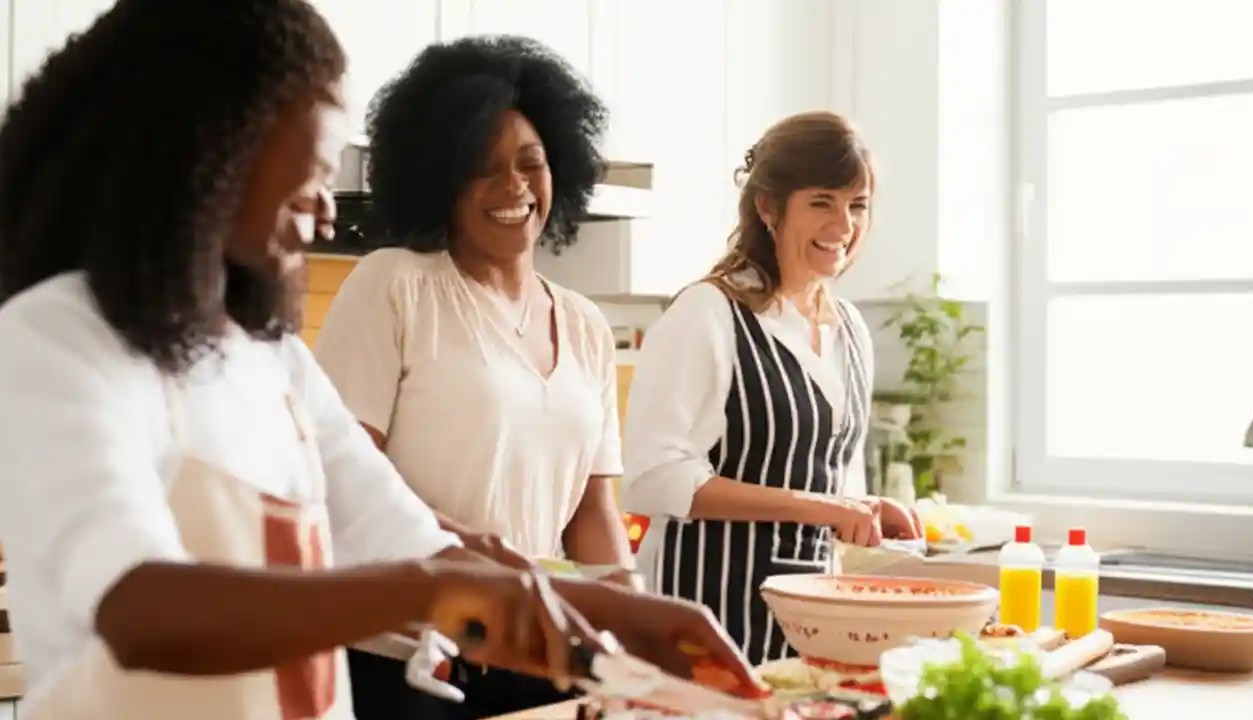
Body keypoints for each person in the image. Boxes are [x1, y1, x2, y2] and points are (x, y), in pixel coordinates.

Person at [0, 3, 755, 719]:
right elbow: (135, 607)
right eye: (315, 171)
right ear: (209, 153)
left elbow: (423, 545)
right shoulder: (57, 338)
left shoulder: (272, 361)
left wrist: (633, 610)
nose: (329, 209)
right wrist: (428, 592)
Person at [312, 35, 639, 717]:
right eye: (483, 169)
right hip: (404, 658)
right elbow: (343, 482)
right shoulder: (394, 286)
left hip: (540, 650)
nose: (515, 187)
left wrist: (629, 631)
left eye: (531, 163)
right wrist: (476, 566)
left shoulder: (583, 324)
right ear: (439, 181)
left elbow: (592, 513)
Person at [621, 111, 924, 666]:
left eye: (857, 206)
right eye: (821, 203)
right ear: (768, 207)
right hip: (706, 624)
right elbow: (651, 479)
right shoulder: (709, 314)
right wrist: (819, 506)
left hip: (811, 630)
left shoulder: (850, 330)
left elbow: (834, 486)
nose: (843, 225)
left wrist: (866, 508)